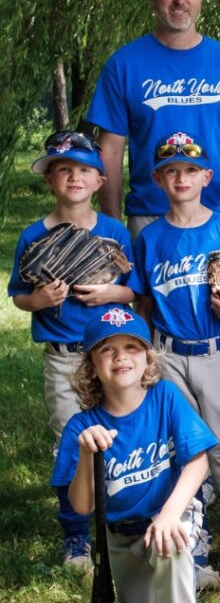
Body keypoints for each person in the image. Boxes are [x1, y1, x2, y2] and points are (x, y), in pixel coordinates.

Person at [86, 0, 220, 416]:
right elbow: (109, 151)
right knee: (157, 343)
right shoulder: (125, 64)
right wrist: (111, 230)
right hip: (155, 219)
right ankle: (173, 455)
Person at [57, 308, 215, 603]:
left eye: (131, 347)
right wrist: (87, 456)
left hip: (168, 515)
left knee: (171, 538)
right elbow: (81, 507)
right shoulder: (82, 426)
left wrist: (168, 513)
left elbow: (198, 462)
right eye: (106, 350)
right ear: (91, 366)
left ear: (147, 357)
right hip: (120, 536)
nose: (120, 357)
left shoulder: (164, 397)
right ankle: (183, 582)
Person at [127, 134, 220, 584]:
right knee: (181, 449)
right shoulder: (151, 237)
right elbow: (144, 299)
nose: (181, 178)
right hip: (166, 353)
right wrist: (143, 351)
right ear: (158, 179)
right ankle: (195, 532)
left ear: (206, 176)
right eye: (171, 171)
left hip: (215, 350)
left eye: (189, 170)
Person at [8, 132, 135, 569]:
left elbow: (132, 289)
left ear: (100, 181)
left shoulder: (113, 232)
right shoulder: (32, 235)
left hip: (110, 356)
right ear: (50, 180)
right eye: (64, 169)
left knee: (119, 436)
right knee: (71, 441)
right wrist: (38, 301)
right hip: (64, 356)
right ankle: (76, 534)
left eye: (84, 170)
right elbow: (19, 294)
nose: (74, 178)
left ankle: (117, 518)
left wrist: (110, 293)